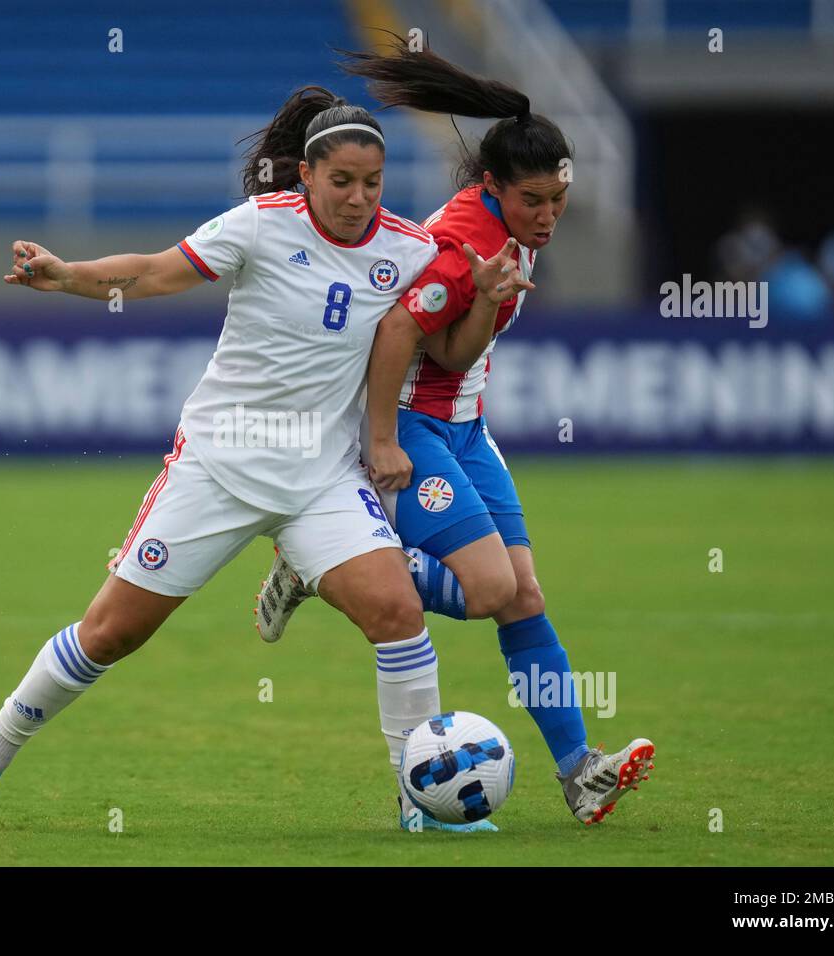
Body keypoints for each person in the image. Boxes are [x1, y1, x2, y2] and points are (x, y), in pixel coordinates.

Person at [0, 86, 530, 832]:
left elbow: (443, 352)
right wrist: (68, 275)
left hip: (322, 479)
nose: (357, 198)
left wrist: (484, 303)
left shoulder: (406, 249)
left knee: (398, 614)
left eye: (371, 183)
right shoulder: (260, 225)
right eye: (340, 182)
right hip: (219, 468)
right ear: (306, 176)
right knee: (110, 633)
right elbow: (152, 272)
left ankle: (421, 807)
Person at [254, 41, 655, 826]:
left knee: (525, 594)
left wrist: (481, 308)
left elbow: (457, 349)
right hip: (415, 423)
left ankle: (580, 771)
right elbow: (404, 334)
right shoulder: (459, 251)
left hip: (466, 425)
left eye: (558, 201)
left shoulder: (502, 240)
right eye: (531, 200)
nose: (546, 216)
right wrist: (381, 443)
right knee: (490, 589)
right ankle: (319, 560)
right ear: (493, 187)